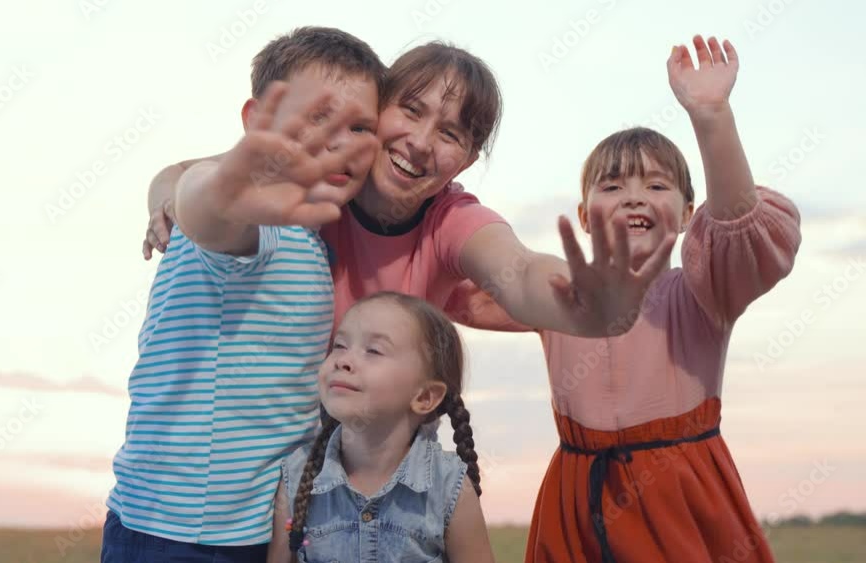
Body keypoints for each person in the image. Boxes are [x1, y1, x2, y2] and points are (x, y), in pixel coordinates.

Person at [143, 41, 676, 341]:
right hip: (273, 459)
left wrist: (594, 304)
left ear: (465, 160)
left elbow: (520, 272)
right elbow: (193, 173)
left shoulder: (452, 220)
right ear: (375, 110)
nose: (420, 144)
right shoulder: (316, 174)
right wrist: (165, 195)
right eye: (411, 111)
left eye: (450, 134)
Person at [102, 26, 383, 562]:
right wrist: (212, 186)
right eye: (316, 118)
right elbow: (208, 207)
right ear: (255, 121)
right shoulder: (255, 223)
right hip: (178, 534)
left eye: (359, 127)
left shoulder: (311, 236)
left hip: (261, 534)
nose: (338, 142)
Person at [525, 36, 801, 563]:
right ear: (583, 217)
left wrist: (711, 115)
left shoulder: (704, 292)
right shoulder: (558, 293)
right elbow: (459, 287)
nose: (633, 196)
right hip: (575, 496)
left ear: (689, 212)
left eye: (656, 186)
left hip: (682, 499)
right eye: (611, 187)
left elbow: (737, 224)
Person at [268, 292, 495, 563]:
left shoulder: (450, 486)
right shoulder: (297, 473)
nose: (343, 360)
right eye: (339, 345)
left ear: (425, 397)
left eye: (373, 350)